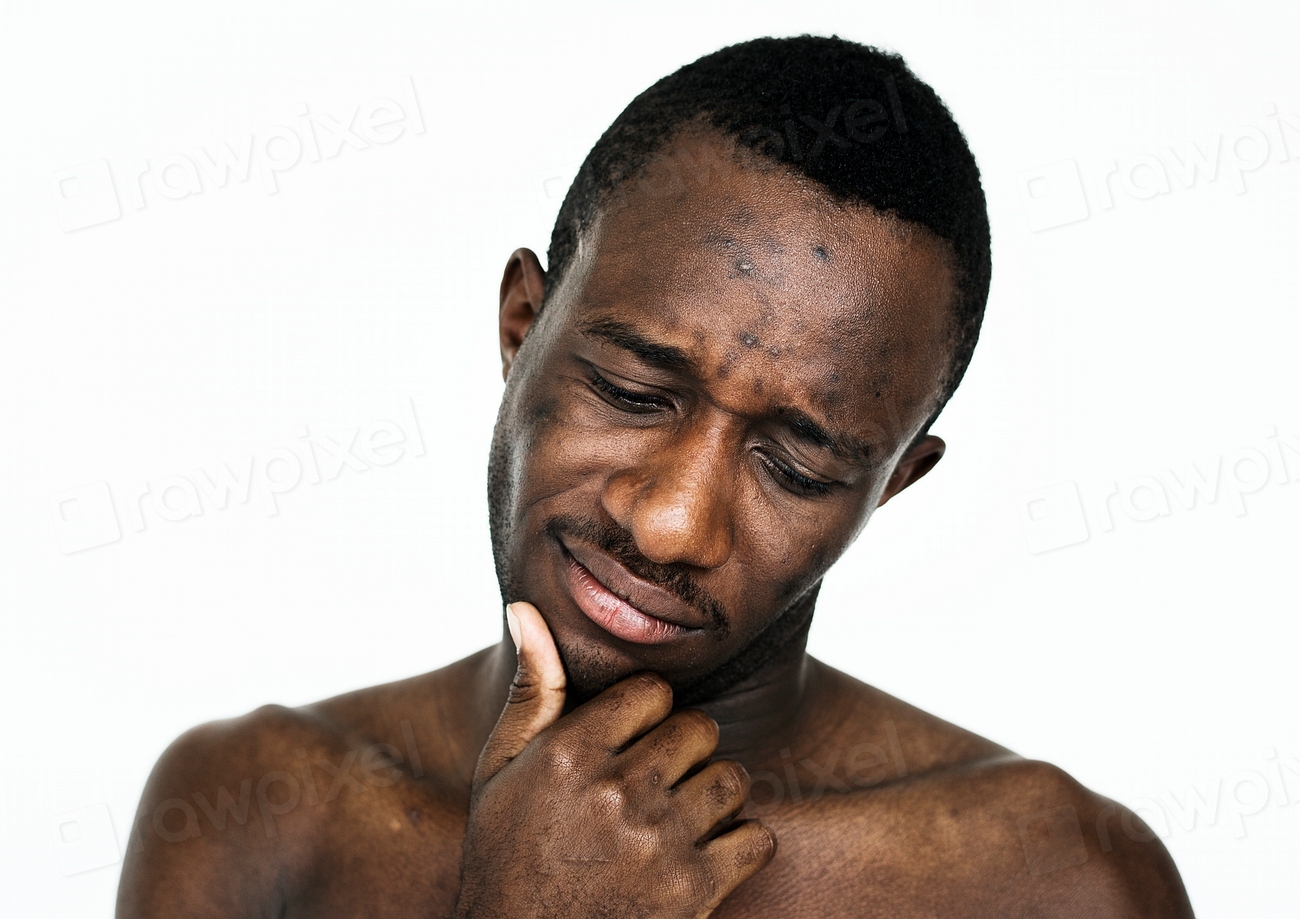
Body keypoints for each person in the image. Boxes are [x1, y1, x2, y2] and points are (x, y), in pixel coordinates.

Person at [117, 34, 1194, 918]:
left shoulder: (1050, 881)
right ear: (521, 326)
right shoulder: (251, 814)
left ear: (893, 485)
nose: (675, 523)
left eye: (796, 466)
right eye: (634, 393)